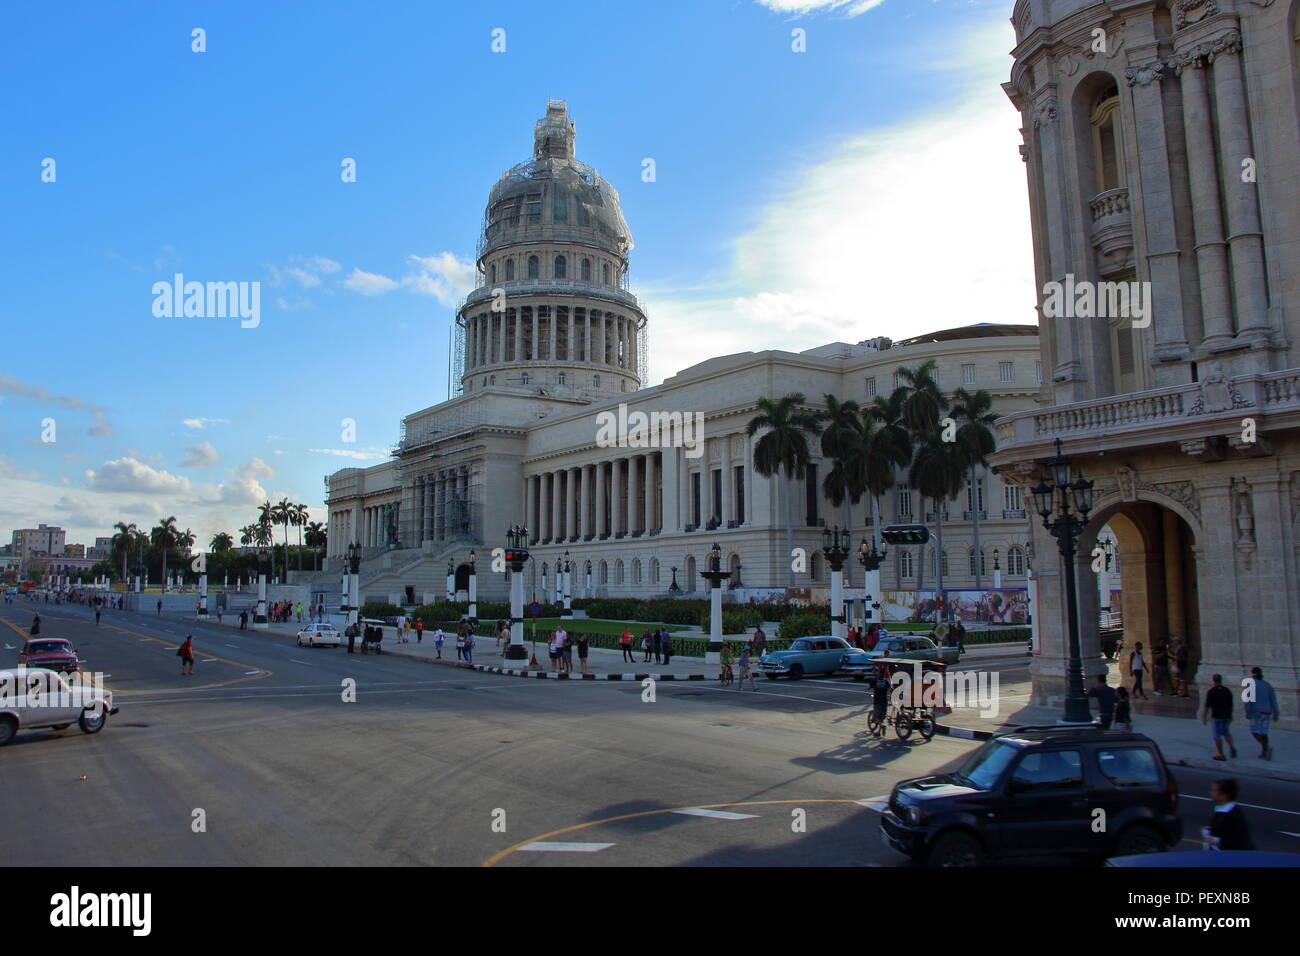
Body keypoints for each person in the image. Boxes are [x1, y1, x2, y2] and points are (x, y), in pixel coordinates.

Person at [1203, 778, 1254, 851]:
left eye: (1214, 790)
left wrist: (1215, 840)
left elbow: (1237, 842)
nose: (1210, 792)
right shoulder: (1220, 809)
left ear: (1224, 795)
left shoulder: (1233, 816)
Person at [1244, 666, 1279, 760]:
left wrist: (1247, 711)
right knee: (1264, 732)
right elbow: (1273, 700)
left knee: (1254, 731)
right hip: (1266, 712)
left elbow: (1248, 701)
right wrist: (1276, 712)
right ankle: (1264, 752)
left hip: (1256, 712)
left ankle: (1266, 747)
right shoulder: (1267, 685)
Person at [1202, 673, 1238, 760]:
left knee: (1217, 735)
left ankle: (1221, 754)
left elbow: (1207, 706)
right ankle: (1231, 746)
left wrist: (1204, 716)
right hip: (1227, 715)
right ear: (1221, 680)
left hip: (1217, 716)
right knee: (1226, 732)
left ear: (1213, 680)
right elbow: (1231, 704)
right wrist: (1231, 714)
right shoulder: (1227, 690)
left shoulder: (1211, 691)